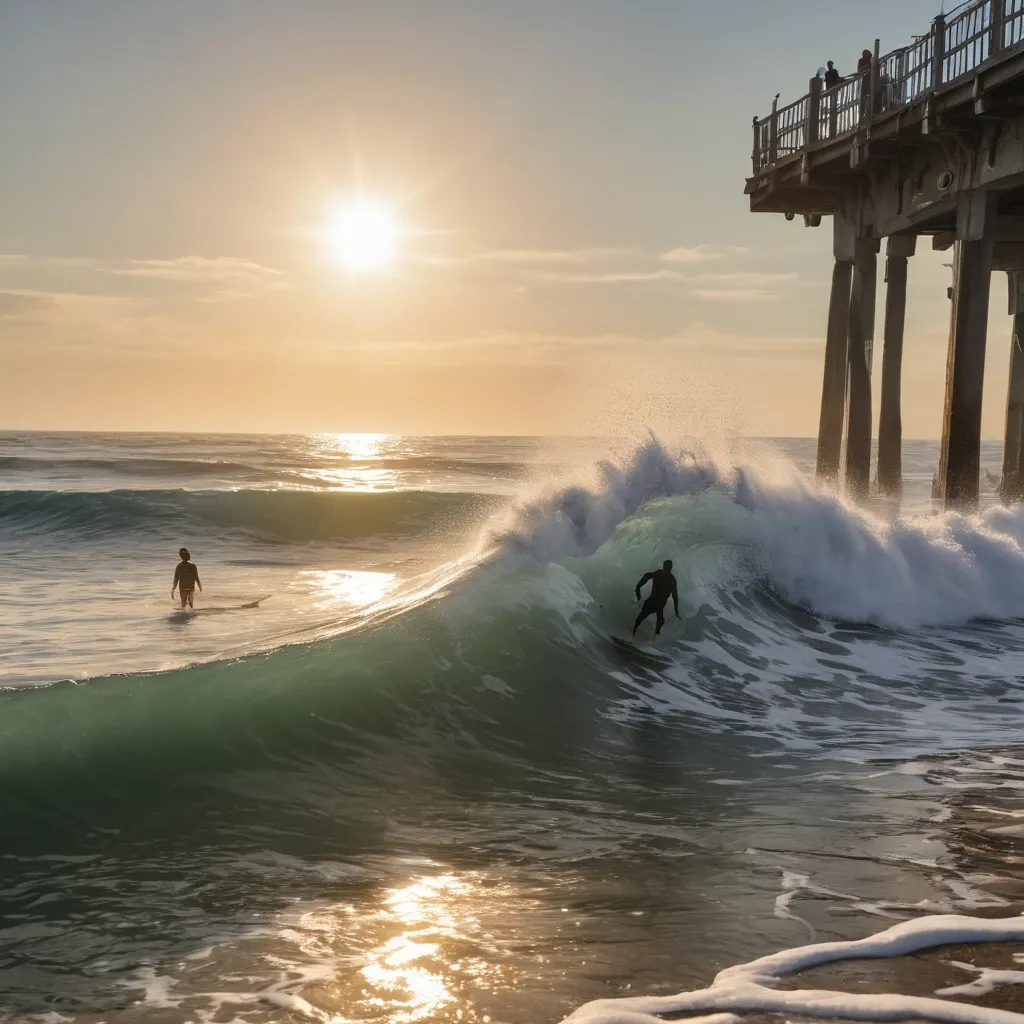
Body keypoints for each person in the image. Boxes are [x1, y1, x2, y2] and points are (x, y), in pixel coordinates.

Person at [630, 559, 680, 648]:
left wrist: (638, 588)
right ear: (671, 568)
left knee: (639, 619)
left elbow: (647, 576)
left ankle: (630, 636)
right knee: (660, 621)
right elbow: (675, 597)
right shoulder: (673, 580)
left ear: (664, 566)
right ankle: (653, 643)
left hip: (650, 602)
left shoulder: (659, 573)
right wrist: (676, 612)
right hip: (659, 606)